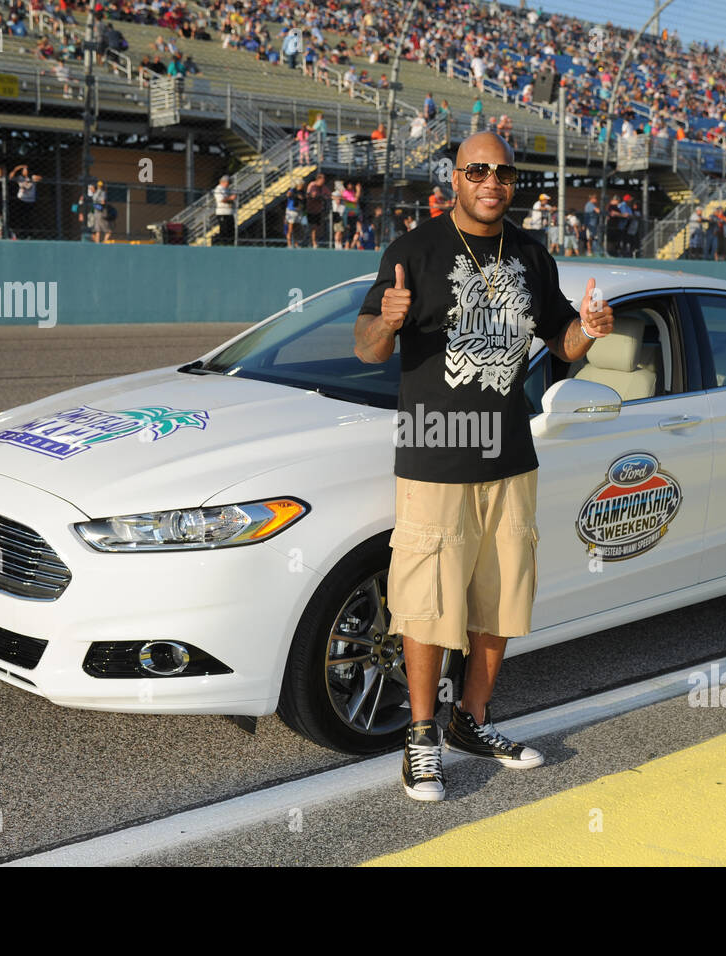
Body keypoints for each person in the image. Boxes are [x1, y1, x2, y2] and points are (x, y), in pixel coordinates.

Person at [352, 131, 615, 801]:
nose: (492, 181)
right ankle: (420, 737)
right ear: (456, 178)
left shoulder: (530, 253)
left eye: (502, 171)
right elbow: (366, 351)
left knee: (498, 602)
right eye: (478, 170)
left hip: (509, 461)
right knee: (425, 604)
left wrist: (589, 327)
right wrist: (387, 320)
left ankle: (471, 720)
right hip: (433, 457)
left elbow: (562, 339)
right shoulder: (414, 250)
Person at [305, 172, 328, 247]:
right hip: (310, 210)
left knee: (316, 227)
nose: (324, 181)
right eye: (323, 179)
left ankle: (313, 241)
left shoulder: (322, 187)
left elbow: (328, 194)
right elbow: (313, 195)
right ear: (319, 179)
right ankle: (311, 242)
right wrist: (321, 196)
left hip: (318, 210)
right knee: (311, 227)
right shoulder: (312, 185)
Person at [213, 174, 236, 245]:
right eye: (228, 183)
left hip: (229, 212)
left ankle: (230, 243)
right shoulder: (218, 189)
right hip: (223, 213)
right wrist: (231, 198)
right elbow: (222, 200)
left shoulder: (226, 190)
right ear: (224, 182)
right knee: (224, 230)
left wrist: (231, 200)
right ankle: (223, 243)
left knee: (231, 230)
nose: (229, 184)